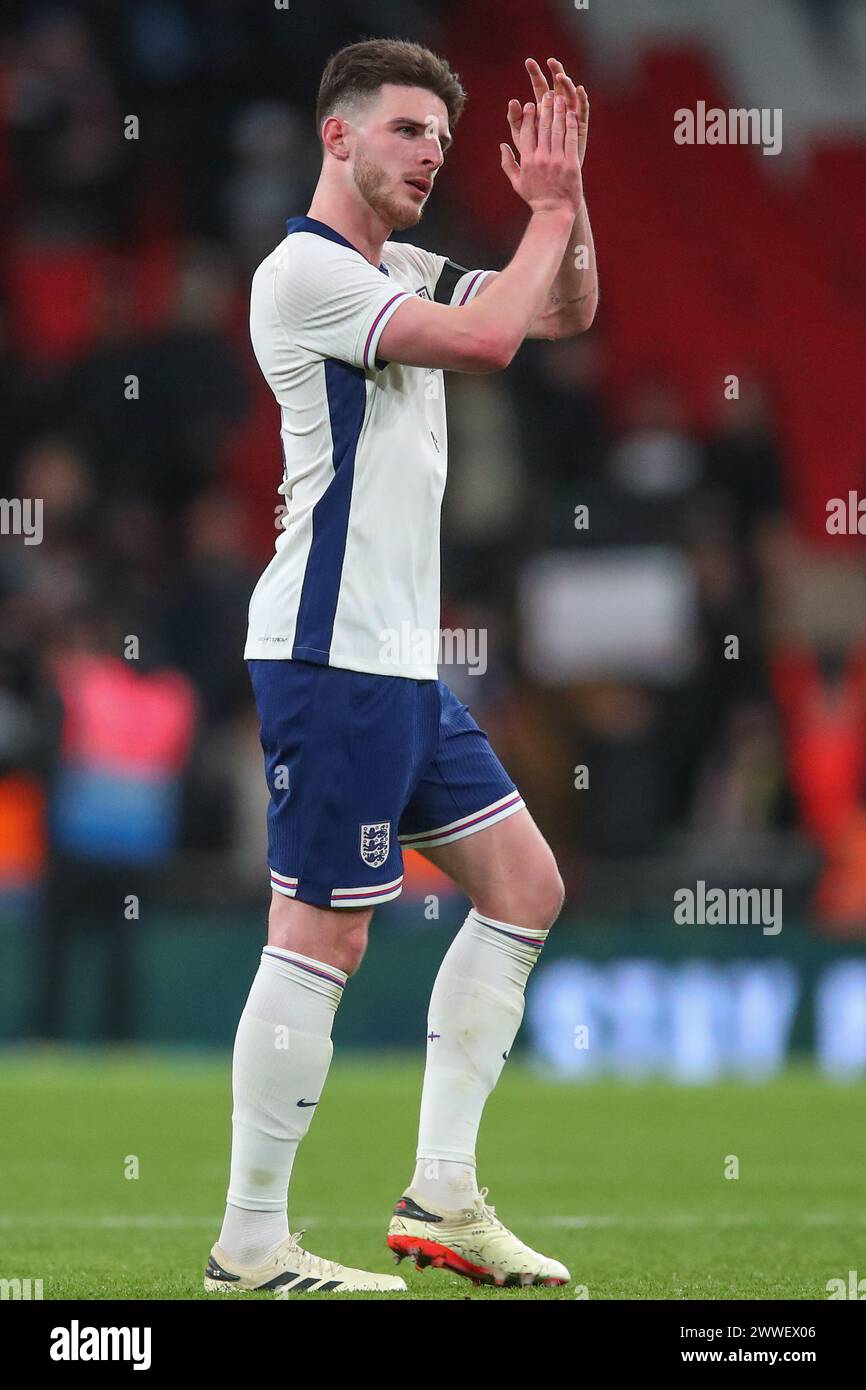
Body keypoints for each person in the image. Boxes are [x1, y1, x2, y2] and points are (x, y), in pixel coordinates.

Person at [205, 36, 598, 1295]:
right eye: (405, 129)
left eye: (440, 134)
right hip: (329, 657)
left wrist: (568, 201)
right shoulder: (302, 274)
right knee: (321, 939)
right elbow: (487, 346)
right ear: (336, 135)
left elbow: (567, 310)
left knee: (525, 885)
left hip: (397, 664)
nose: (428, 152)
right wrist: (539, 215)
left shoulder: (408, 266)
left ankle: (441, 1195)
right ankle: (250, 1243)